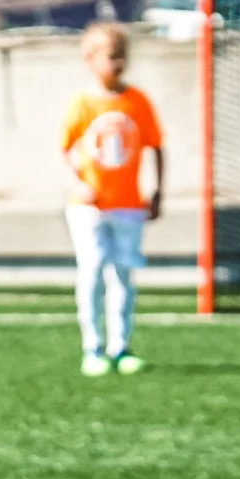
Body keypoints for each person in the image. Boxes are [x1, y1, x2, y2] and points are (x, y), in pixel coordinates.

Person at [61, 20, 165, 375]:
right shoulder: (82, 102)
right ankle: (93, 348)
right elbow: (64, 149)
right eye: (110, 56)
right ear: (90, 59)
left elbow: (155, 146)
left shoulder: (137, 101)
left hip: (127, 205)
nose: (117, 63)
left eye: (122, 56)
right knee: (91, 271)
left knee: (122, 276)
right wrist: (77, 183)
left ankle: (121, 347)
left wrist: (157, 192)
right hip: (89, 208)